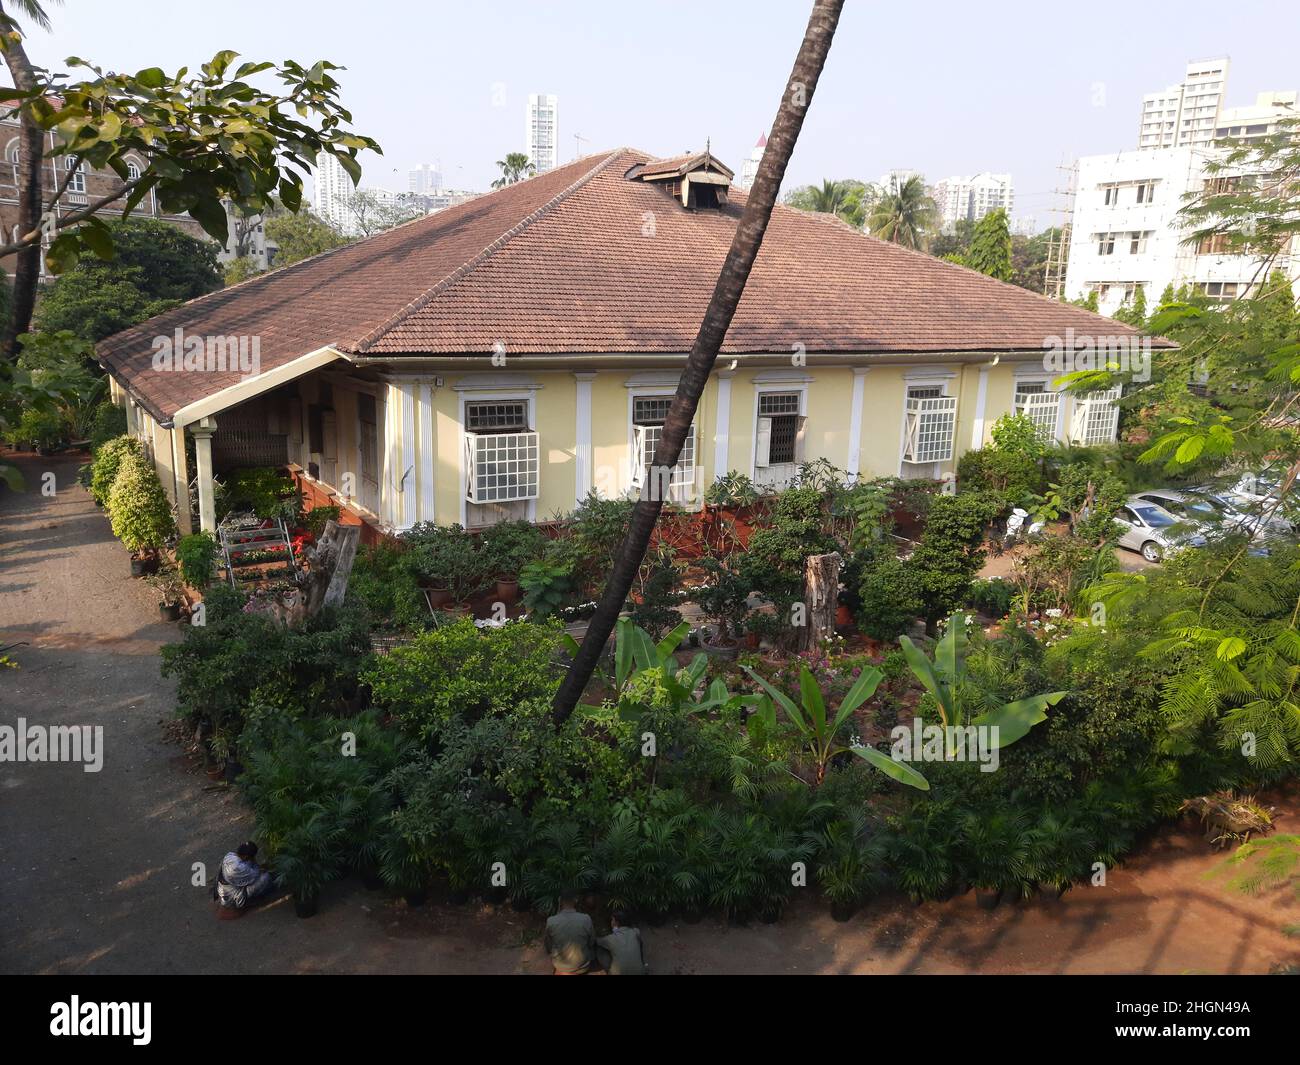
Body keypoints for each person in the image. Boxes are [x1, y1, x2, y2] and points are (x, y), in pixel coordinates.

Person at [544, 892, 597, 975]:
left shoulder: (551, 921)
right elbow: (592, 942)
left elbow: (548, 946)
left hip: (560, 965)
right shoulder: (586, 919)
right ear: (575, 900)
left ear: (560, 901)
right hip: (583, 966)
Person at [215, 842, 275, 911]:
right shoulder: (240, 868)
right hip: (232, 898)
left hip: (224, 890)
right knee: (266, 877)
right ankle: (250, 902)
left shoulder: (229, 856)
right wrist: (257, 865)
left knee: (249, 864)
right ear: (246, 856)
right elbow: (257, 874)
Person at [597, 911, 648, 975]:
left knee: (600, 949)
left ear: (616, 922)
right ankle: (642, 964)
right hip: (640, 973)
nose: (611, 922)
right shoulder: (636, 931)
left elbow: (598, 941)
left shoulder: (610, 938)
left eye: (612, 920)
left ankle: (609, 969)